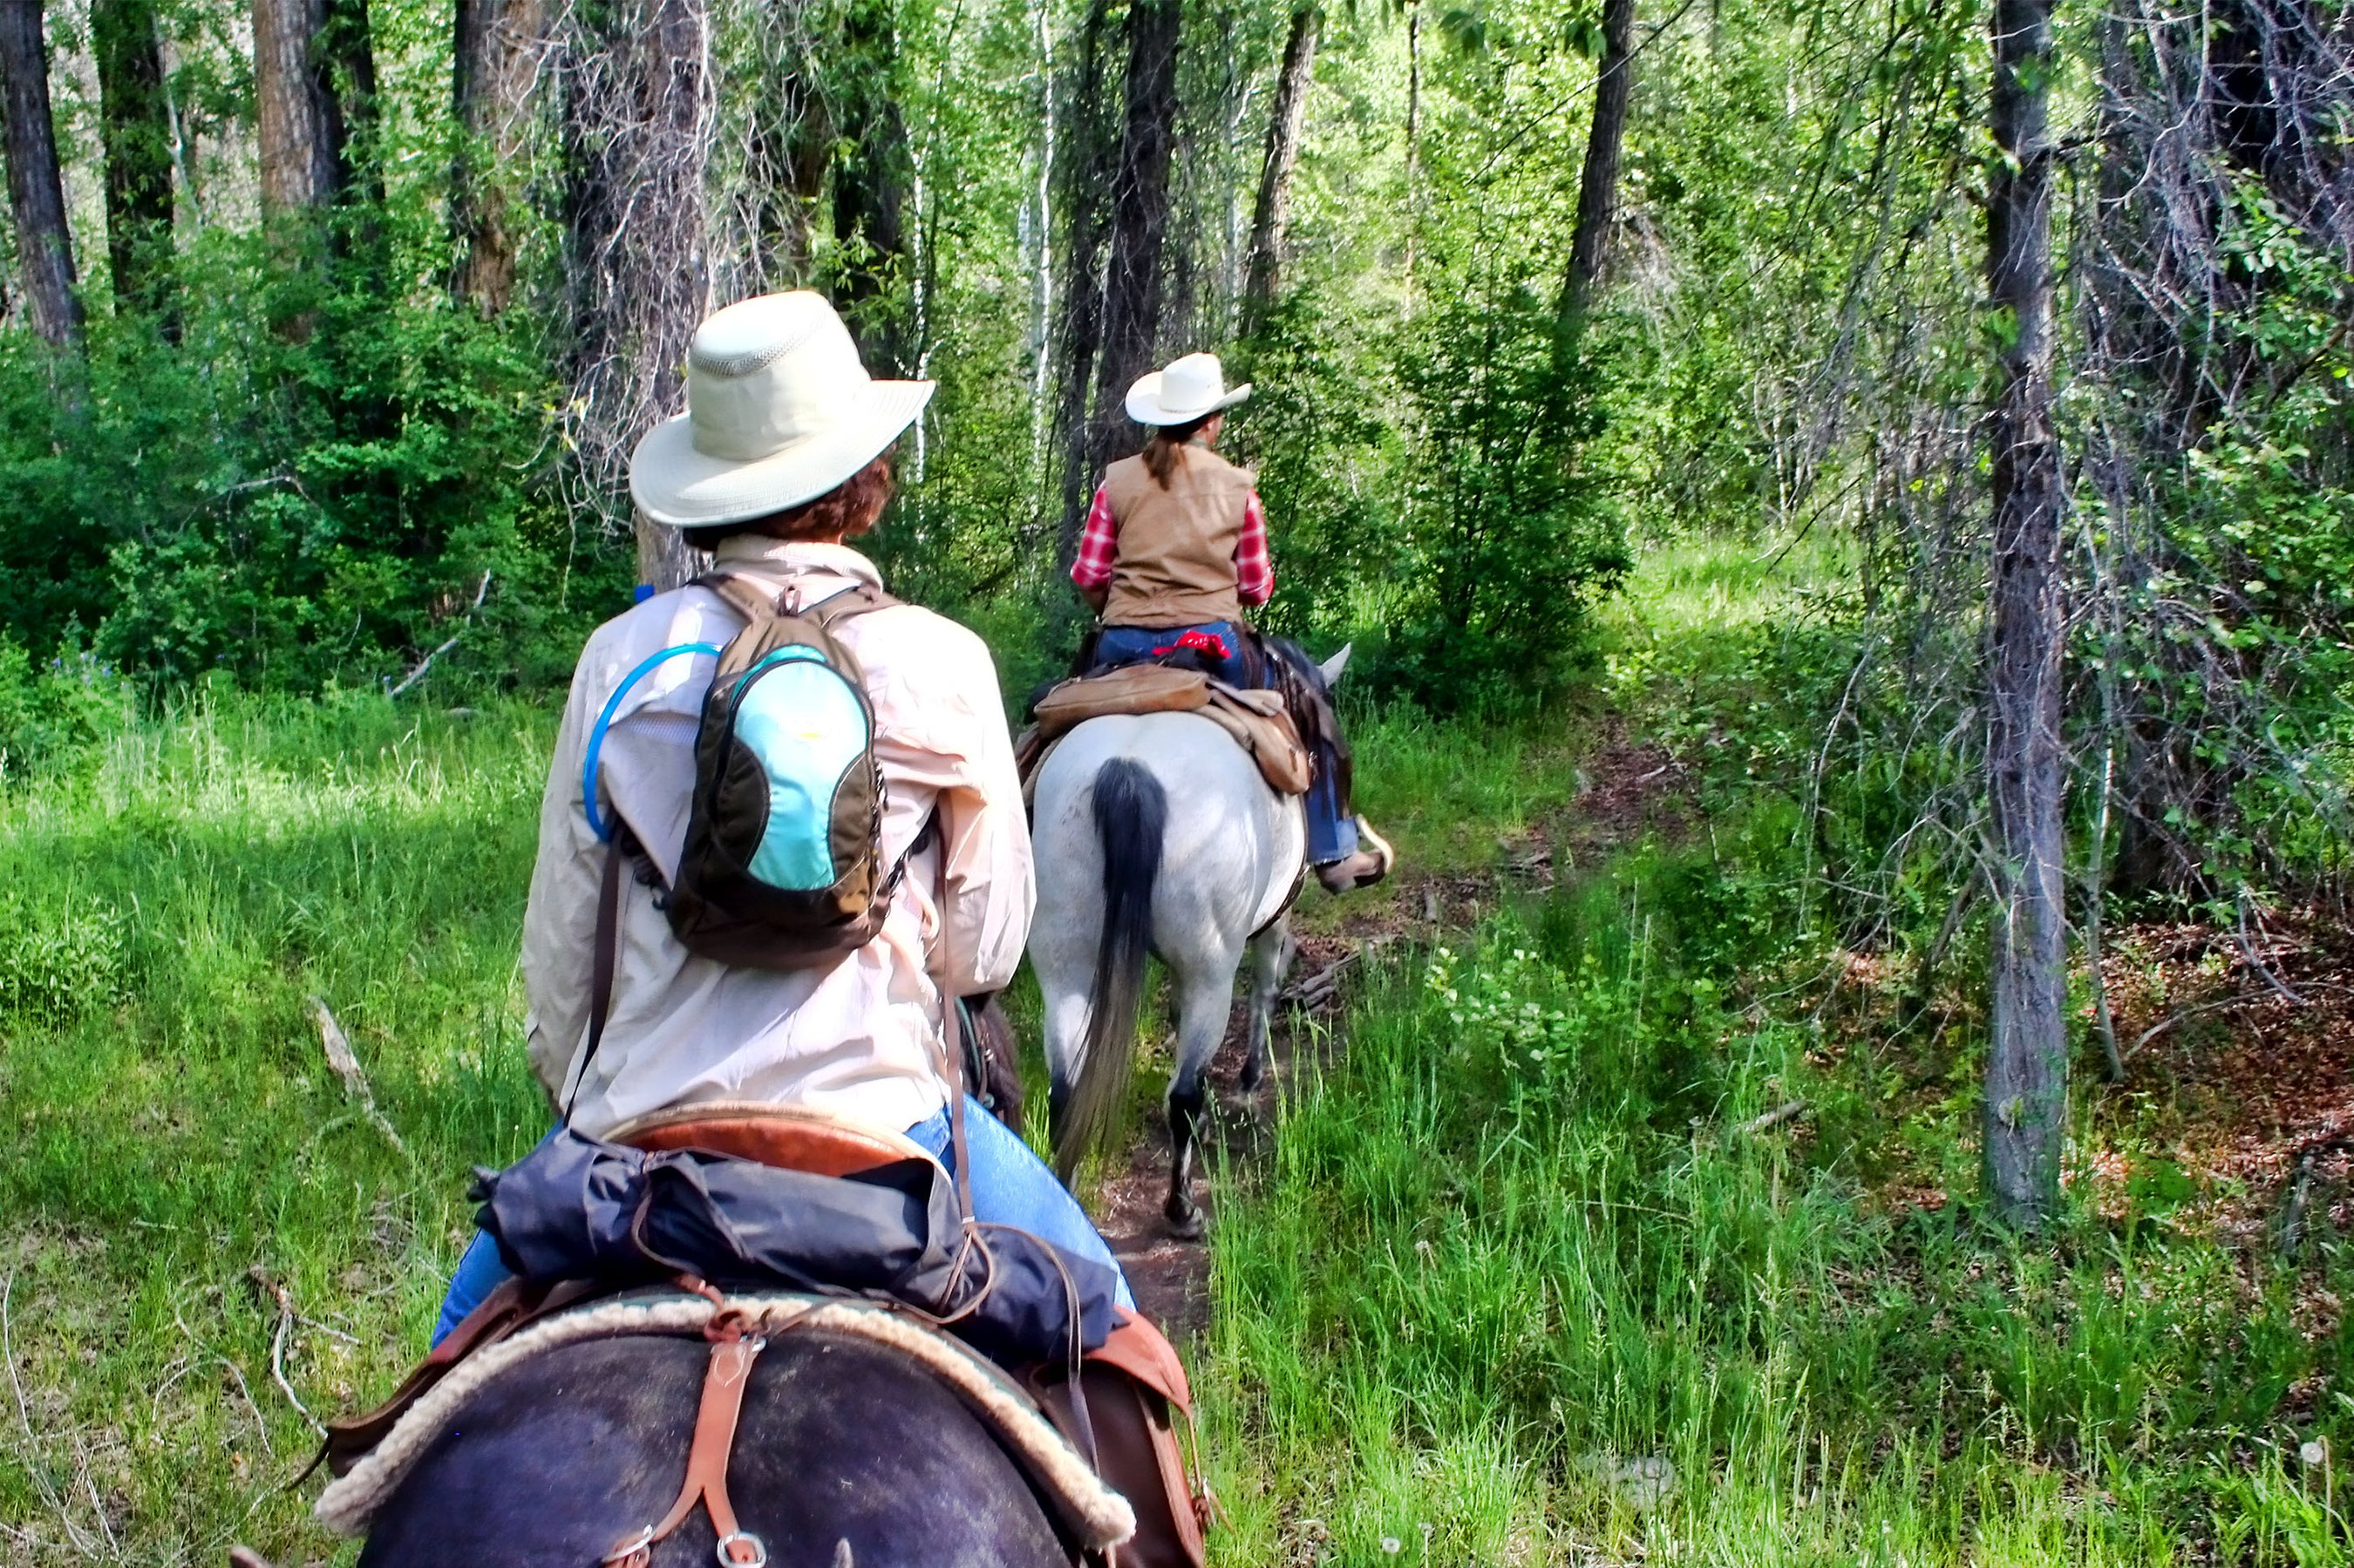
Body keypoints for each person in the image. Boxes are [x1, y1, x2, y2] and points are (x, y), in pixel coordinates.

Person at [434, 291, 1131, 1341]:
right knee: (1120, 1334)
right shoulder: (946, 659)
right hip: (884, 1129)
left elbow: (565, 959)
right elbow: (984, 953)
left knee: (447, 1357)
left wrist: (600, 1095)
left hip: (643, 1132)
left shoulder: (618, 661)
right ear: (865, 487)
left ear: (708, 494)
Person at [1071, 350, 1391, 893]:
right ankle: (1333, 852)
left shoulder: (1116, 482)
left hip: (1120, 644)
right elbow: (1257, 587)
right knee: (1309, 710)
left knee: (1048, 722)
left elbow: (1089, 574)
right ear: (1213, 422)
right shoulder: (1238, 486)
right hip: (1213, 645)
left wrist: (1123, 606)